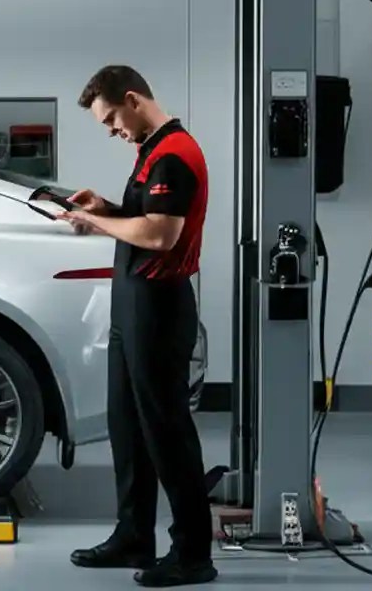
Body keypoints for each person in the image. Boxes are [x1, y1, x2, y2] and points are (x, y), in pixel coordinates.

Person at [61, 65, 217, 588]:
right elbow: (141, 214)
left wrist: (94, 221)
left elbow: (159, 235)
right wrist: (104, 206)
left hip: (159, 307)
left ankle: (193, 553)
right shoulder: (151, 150)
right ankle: (134, 536)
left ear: (132, 99)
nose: (111, 130)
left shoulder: (175, 153)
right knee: (127, 428)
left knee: (167, 433)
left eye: (110, 119)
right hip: (132, 305)